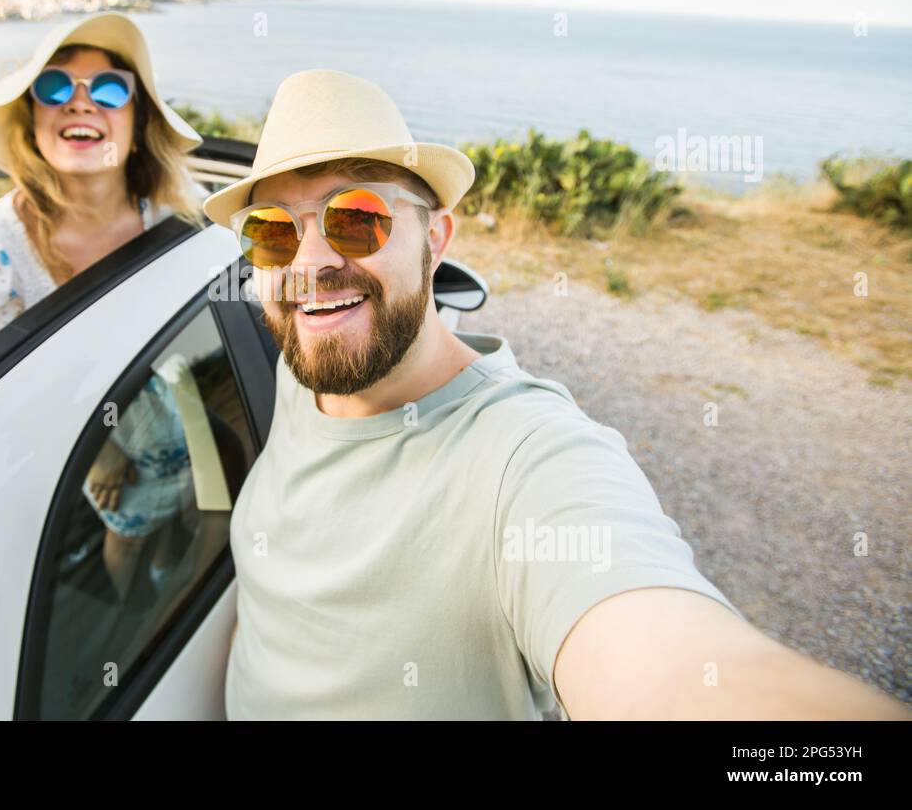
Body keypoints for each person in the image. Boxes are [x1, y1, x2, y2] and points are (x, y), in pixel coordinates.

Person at [201, 68, 909, 720]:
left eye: (356, 218)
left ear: (435, 240)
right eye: (272, 232)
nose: (311, 263)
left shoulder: (527, 459)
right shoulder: (305, 365)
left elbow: (665, 664)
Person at [0, 12, 206, 601]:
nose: (80, 102)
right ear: (33, 122)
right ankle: (130, 610)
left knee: (181, 515)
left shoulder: (178, 215)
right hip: (72, 437)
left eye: (109, 90)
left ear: (138, 125)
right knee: (128, 533)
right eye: (54, 87)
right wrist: (95, 455)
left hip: (175, 413)